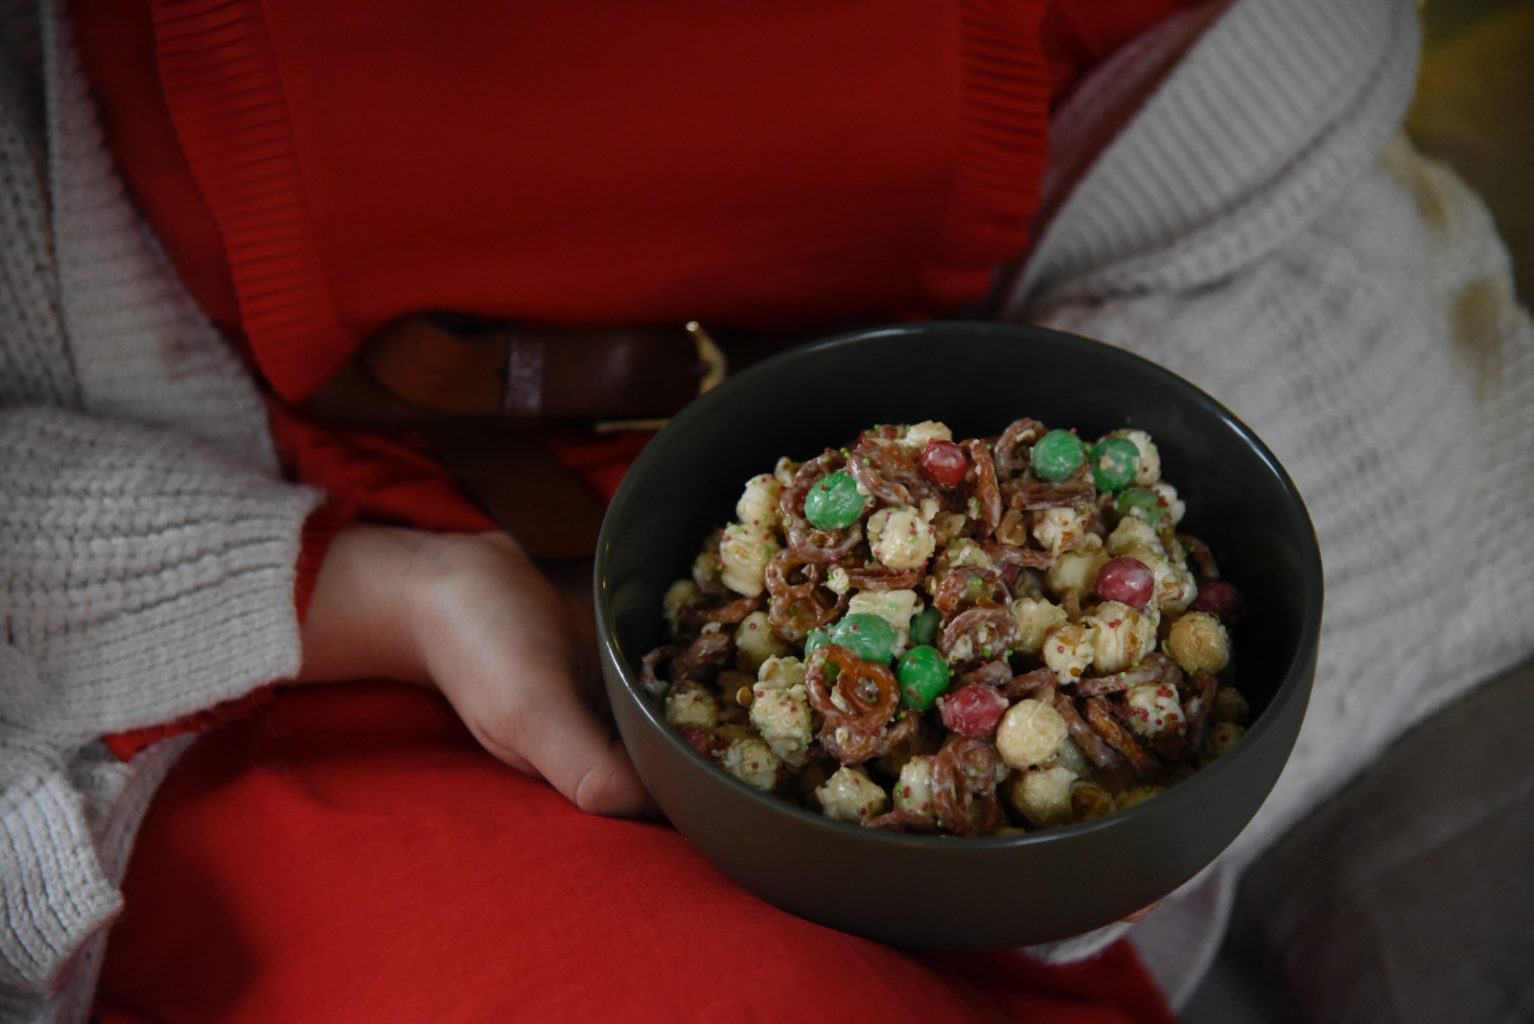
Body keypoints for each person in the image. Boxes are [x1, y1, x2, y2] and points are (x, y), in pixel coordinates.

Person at [2, 0, 1530, 1020]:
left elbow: (1285, 214)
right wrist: (385, 594)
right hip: (301, 623)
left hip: (951, 497)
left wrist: (1090, 551)